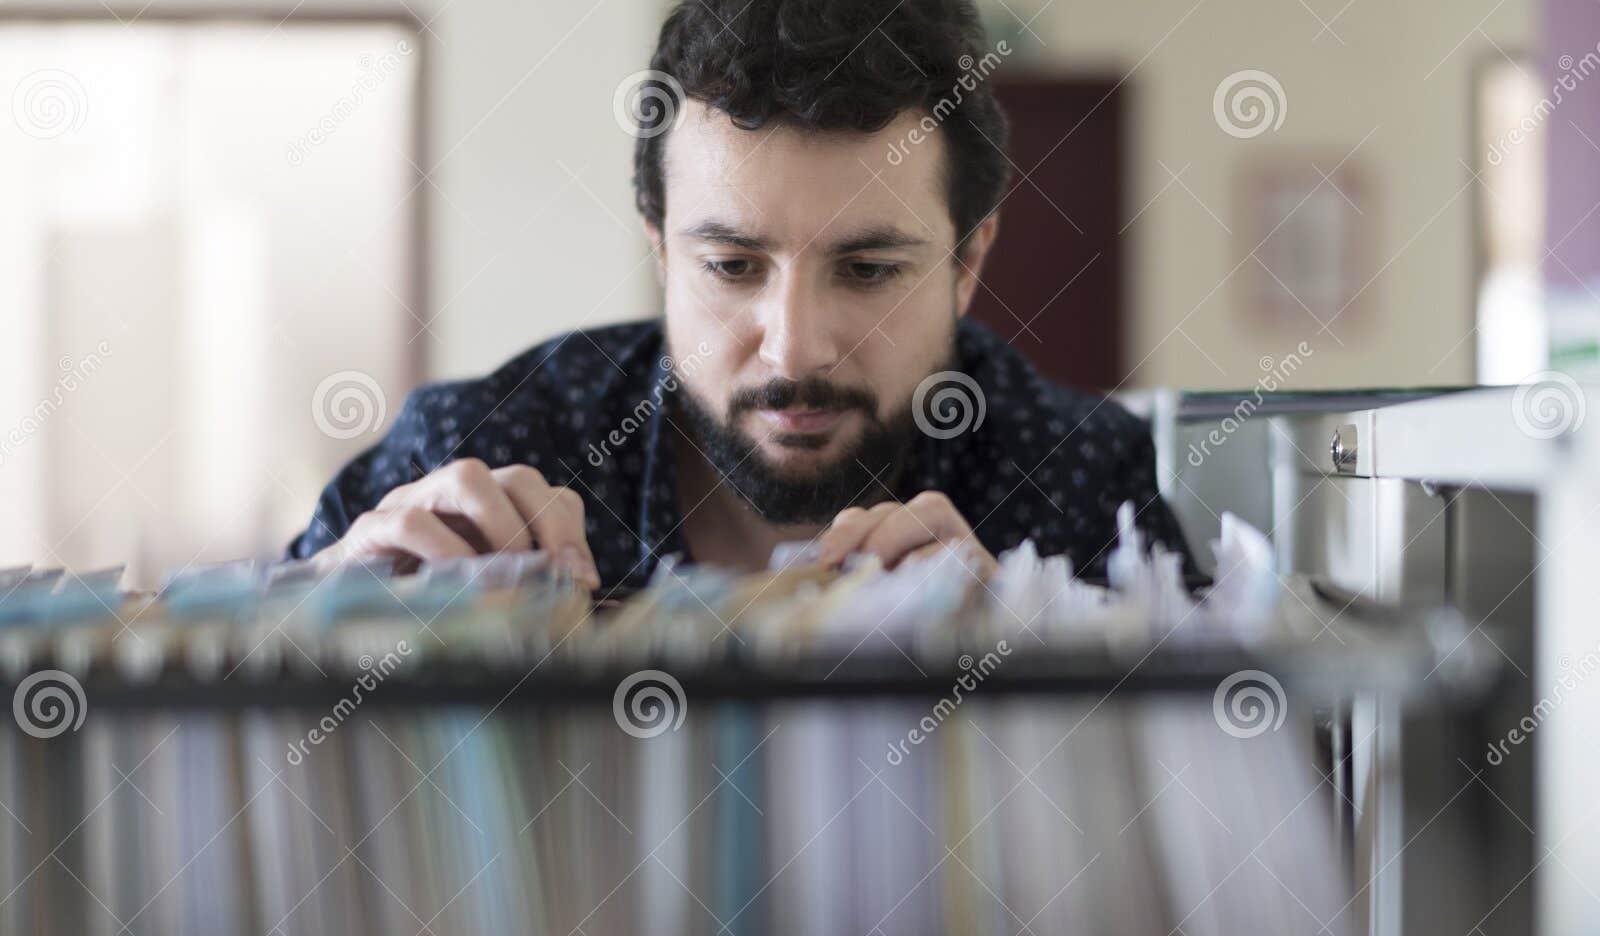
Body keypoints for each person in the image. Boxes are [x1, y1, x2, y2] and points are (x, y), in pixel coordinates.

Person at [288, 0, 1190, 591]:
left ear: (968, 262)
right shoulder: (479, 450)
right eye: (732, 266)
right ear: (660, 252)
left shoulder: (1077, 489)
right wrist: (316, 623)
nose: (794, 350)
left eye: (869, 270)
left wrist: (1037, 687)